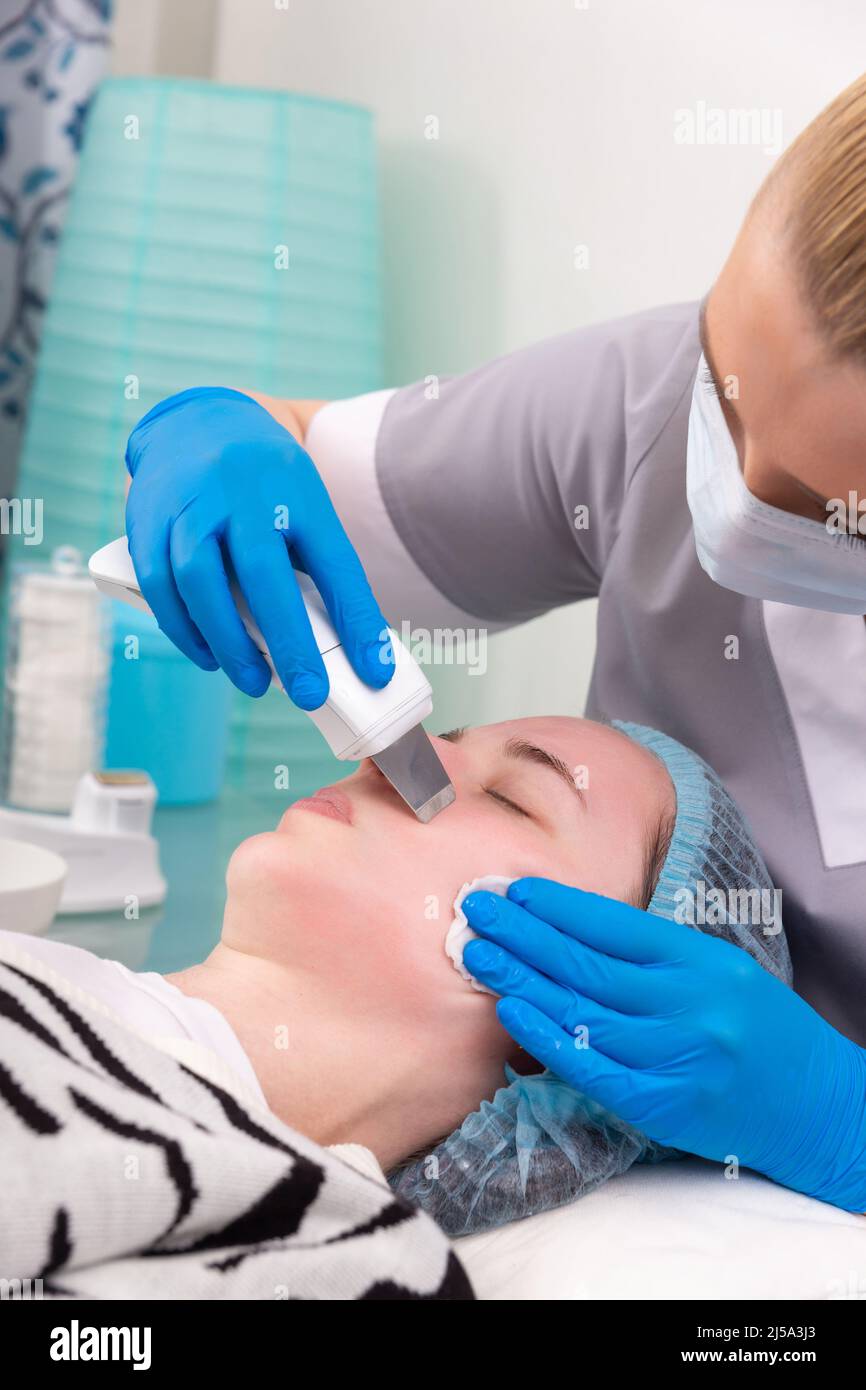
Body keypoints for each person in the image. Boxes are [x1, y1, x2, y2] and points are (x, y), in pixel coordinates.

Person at [122, 77, 866, 1211]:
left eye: (818, 501)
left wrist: (835, 1119)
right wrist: (211, 435)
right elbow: (300, 466)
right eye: (724, 392)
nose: (729, 496)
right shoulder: (644, 402)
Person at [5, 717, 790, 1234]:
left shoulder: (321, 1259)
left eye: (514, 799)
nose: (402, 750)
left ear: (567, 1041)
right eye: (445, 733)